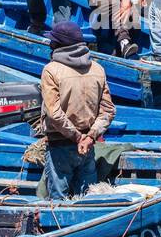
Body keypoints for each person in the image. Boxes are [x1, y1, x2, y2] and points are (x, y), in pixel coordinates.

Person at [39, 21, 116, 199]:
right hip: (87, 147)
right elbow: (108, 111)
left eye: (52, 42)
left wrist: (78, 137)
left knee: (58, 200)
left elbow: (54, 114)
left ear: (58, 45)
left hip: (60, 145)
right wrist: (89, 137)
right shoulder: (98, 69)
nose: (50, 45)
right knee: (89, 198)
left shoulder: (51, 70)